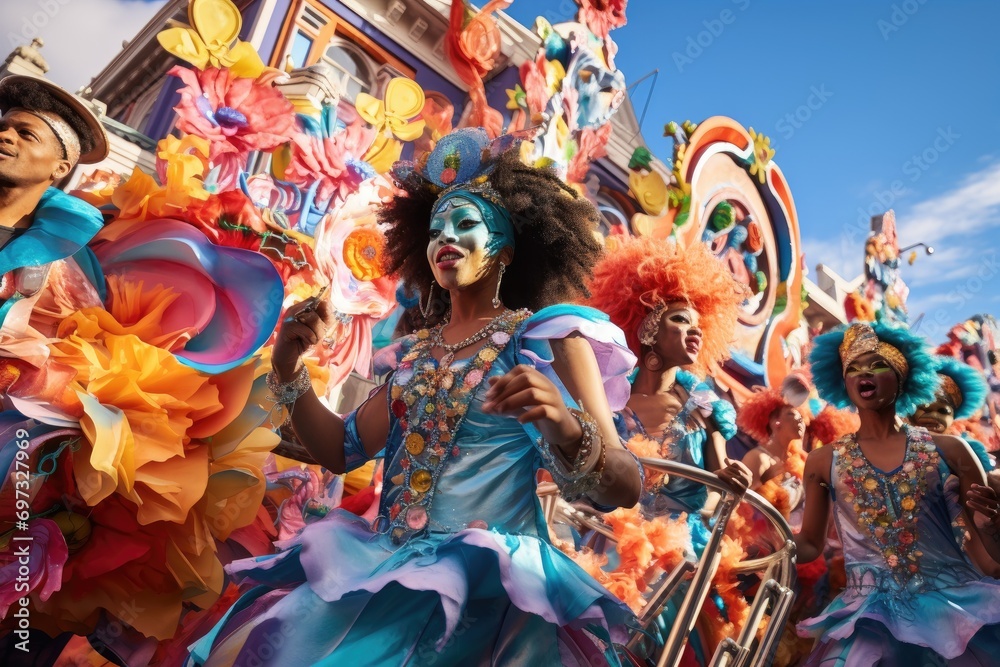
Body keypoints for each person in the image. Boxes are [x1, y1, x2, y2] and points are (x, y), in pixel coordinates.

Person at [187, 128, 644, 666]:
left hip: (484, 591)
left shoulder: (548, 339)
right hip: (386, 565)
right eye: (435, 229)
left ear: (508, 248)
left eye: (467, 223)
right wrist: (289, 367)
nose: (445, 236)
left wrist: (567, 426)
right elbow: (341, 447)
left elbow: (624, 483)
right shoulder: (412, 355)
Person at [583, 237, 752, 663]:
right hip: (603, 544)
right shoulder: (605, 400)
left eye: (699, 323)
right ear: (647, 329)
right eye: (680, 319)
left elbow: (722, 475)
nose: (695, 330)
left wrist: (736, 478)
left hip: (679, 562)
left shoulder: (707, 406)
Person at [794, 321, 1000, 665]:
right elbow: (810, 544)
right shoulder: (821, 461)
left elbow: (991, 561)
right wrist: (771, 543)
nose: (865, 374)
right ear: (843, 383)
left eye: (878, 365)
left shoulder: (953, 452)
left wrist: (993, 525)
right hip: (869, 618)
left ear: (902, 378)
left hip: (953, 611)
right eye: (854, 368)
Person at [0, 75, 109, 337]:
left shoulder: (66, 267)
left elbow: (71, 350)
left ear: (60, 168)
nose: (4, 135)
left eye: (26, 134)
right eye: (2, 127)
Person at [909, 355, 993, 471]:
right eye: (926, 408)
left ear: (953, 415)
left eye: (943, 411)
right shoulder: (899, 441)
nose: (933, 415)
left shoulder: (966, 448)